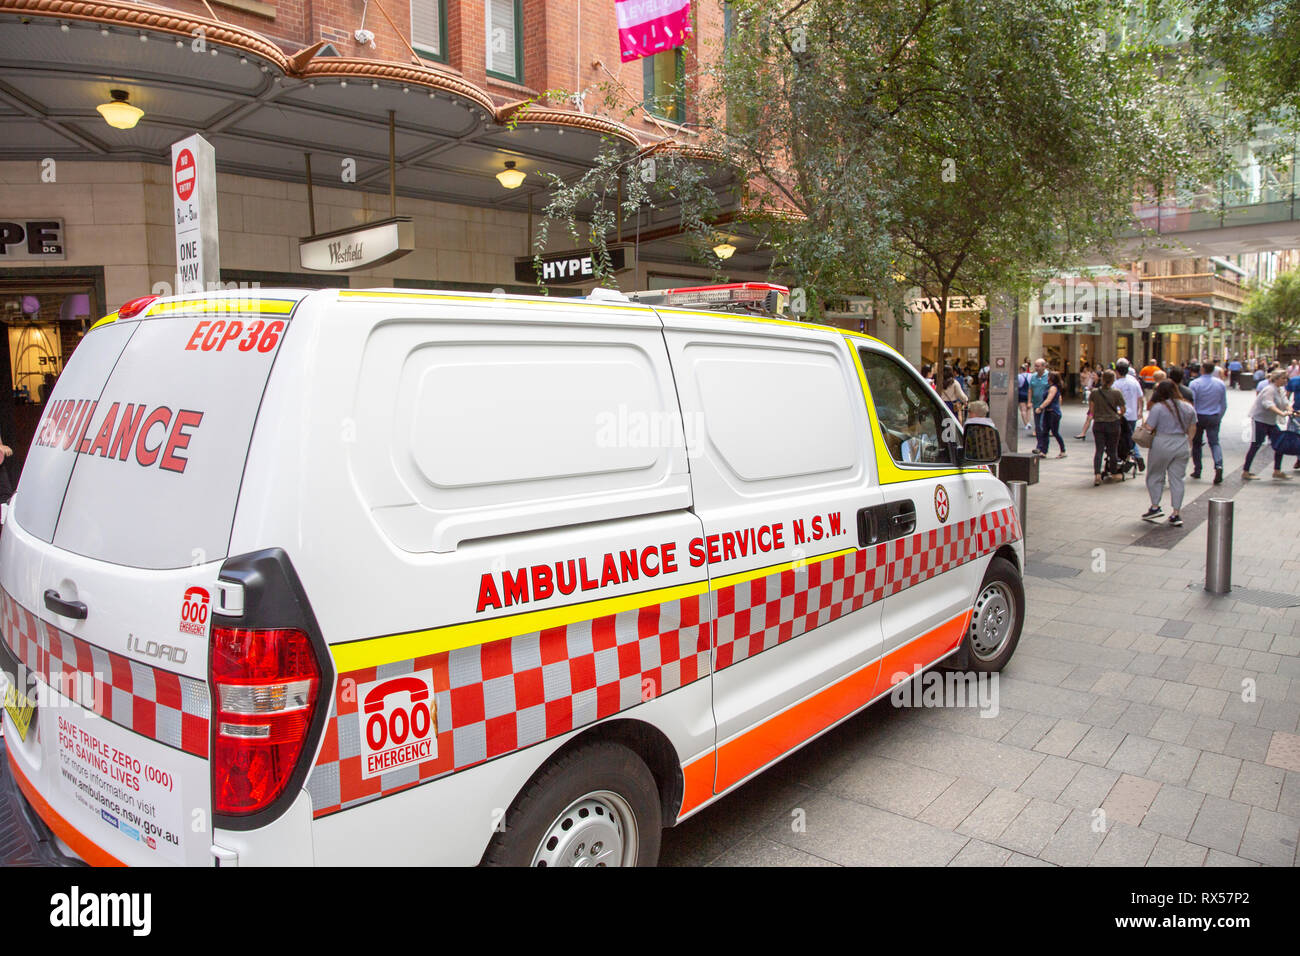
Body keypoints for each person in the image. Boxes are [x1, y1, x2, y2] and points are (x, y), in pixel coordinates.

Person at [1140, 380, 1197, 526]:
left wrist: (1144, 422)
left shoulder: (1158, 408)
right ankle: (1176, 513)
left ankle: (1155, 506)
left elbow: (1149, 427)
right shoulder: (1188, 407)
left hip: (1162, 442)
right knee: (1178, 479)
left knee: (1155, 475)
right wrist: (1189, 442)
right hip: (1181, 443)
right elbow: (1193, 427)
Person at [1242, 369, 1295, 480]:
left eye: (1286, 378)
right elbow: (1268, 404)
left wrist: (1291, 410)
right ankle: (1245, 471)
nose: (1285, 380)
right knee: (1255, 445)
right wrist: (1282, 413)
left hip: (1271, 422)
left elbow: (1285, 403)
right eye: (1283, 378)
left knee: (1280, 444)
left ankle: (1277, 471)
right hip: (1260, 421)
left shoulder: (1280, 390)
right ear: (1276, 379)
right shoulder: (1269, 389)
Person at [1188, 360, 1227, 484]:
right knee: (1214, 443)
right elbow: (1223, 403)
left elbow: (1191, 403)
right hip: (1214, 415)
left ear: (1202, 369)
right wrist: (1219, 416)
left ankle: (1198, 469)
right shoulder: (1220, 384)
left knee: (1197, 443)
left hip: (1199, 416)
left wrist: (1191, 419)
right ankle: (1218, 465)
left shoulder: (1195, 383)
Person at [1089, 369, 1126, 485]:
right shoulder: (1117, 393)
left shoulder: (1094, 392)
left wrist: (1096, 415)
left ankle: (1097, 475)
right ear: (1113, 380)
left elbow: (1091, 410)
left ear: (1102, 379)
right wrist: (1117, 415)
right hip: (1113, 423)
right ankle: (1114, 472)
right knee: (1112, 450)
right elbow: (1123, 410)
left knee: (1099, 450)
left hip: (1099, 423)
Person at [1114, 359, 1145, 472]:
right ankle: (1132, 457)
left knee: (1124, 438)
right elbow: (1140, 397)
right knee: (1130, 436)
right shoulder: (1134, 381)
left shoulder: (1116, 384)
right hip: (1132, 414)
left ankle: (1135, 456)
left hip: (1121, 415)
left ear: (1117, 371)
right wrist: (1140, 410)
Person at [1034, 369, 1066, 458]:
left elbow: (1049, 399)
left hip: (1053, 412)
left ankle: (1063, 450)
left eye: (1048, 376)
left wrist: (1040, 408)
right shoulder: (1051, 387)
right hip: (1049, 412)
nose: (1047, 378)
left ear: (1051, 378)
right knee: (1045, 432)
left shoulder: (1053, 388)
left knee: (1055, 432)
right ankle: (1044, 451)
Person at [1029, 358, 1051, 450]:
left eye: (1038, 366)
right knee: (1037, 426)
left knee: (1042, 425)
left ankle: (1042, 446)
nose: (1036, 368)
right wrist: (1029, 401)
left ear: (1043, 366)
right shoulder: (1033, 376)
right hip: (1036, 404)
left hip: (1045, 405)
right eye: (1035, 366)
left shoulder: (1049, 376)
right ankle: (1039, 445)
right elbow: (1030, 389)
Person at [1017, 362, 1034, 433]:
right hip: (1029, 393)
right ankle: (1028, 421)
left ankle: (1026, 423)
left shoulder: (1019, 376)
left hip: (1021, 393)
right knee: (1029, 408)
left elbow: (1017, 385)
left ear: (1021, 369)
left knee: (1023, 410)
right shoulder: (1031, 375)